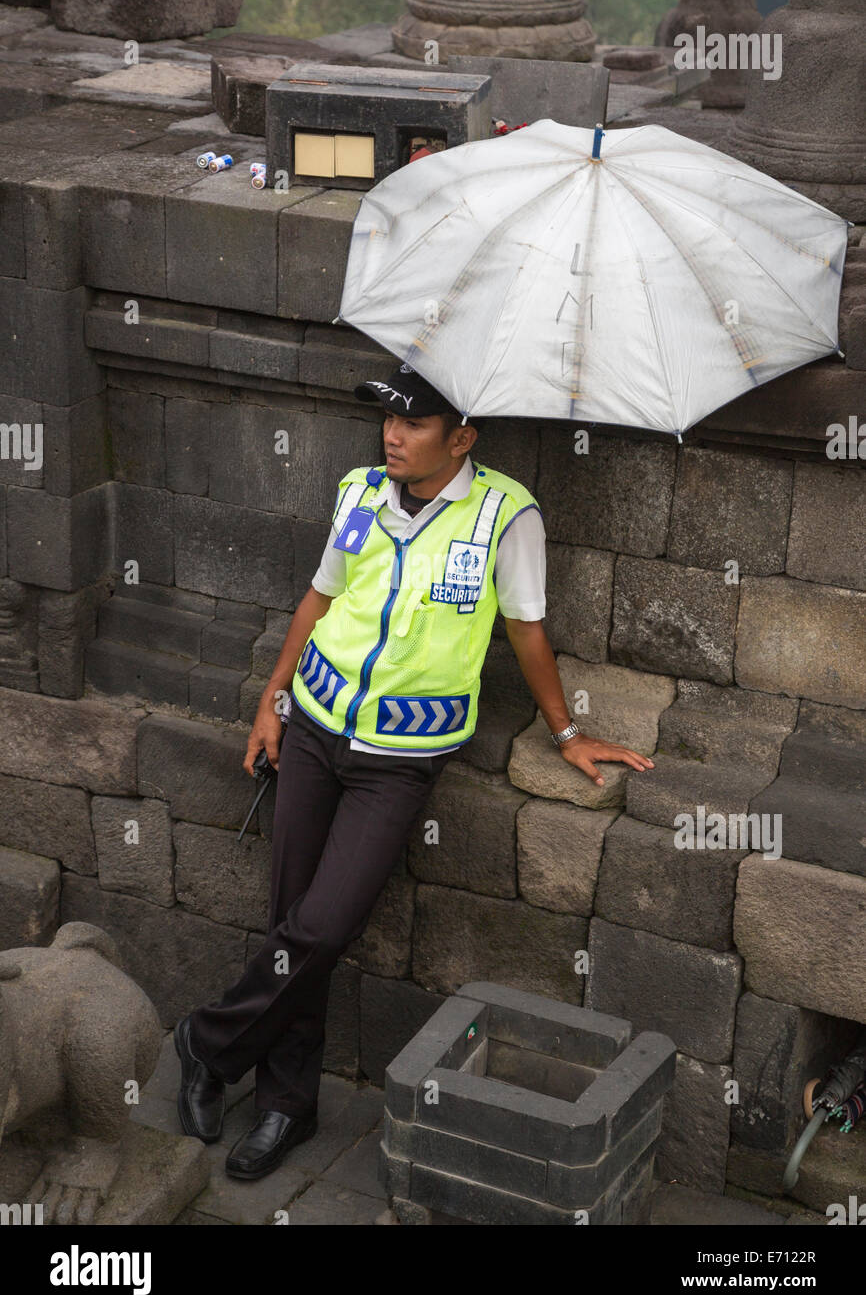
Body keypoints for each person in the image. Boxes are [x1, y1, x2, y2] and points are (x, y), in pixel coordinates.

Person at [174, 364, 654, 1181]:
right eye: (388, 421)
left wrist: (567, 730)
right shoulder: (358, 491)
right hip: (315, 728)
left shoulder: (506, 515)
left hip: (397, 762)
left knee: (323, 927)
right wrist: (270, 698)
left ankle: (206, 1043)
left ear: (460, 437)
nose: (392, 436)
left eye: (414, 424)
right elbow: (318, 601)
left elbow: (527, 631)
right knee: (291, 921)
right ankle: (288, 1103)